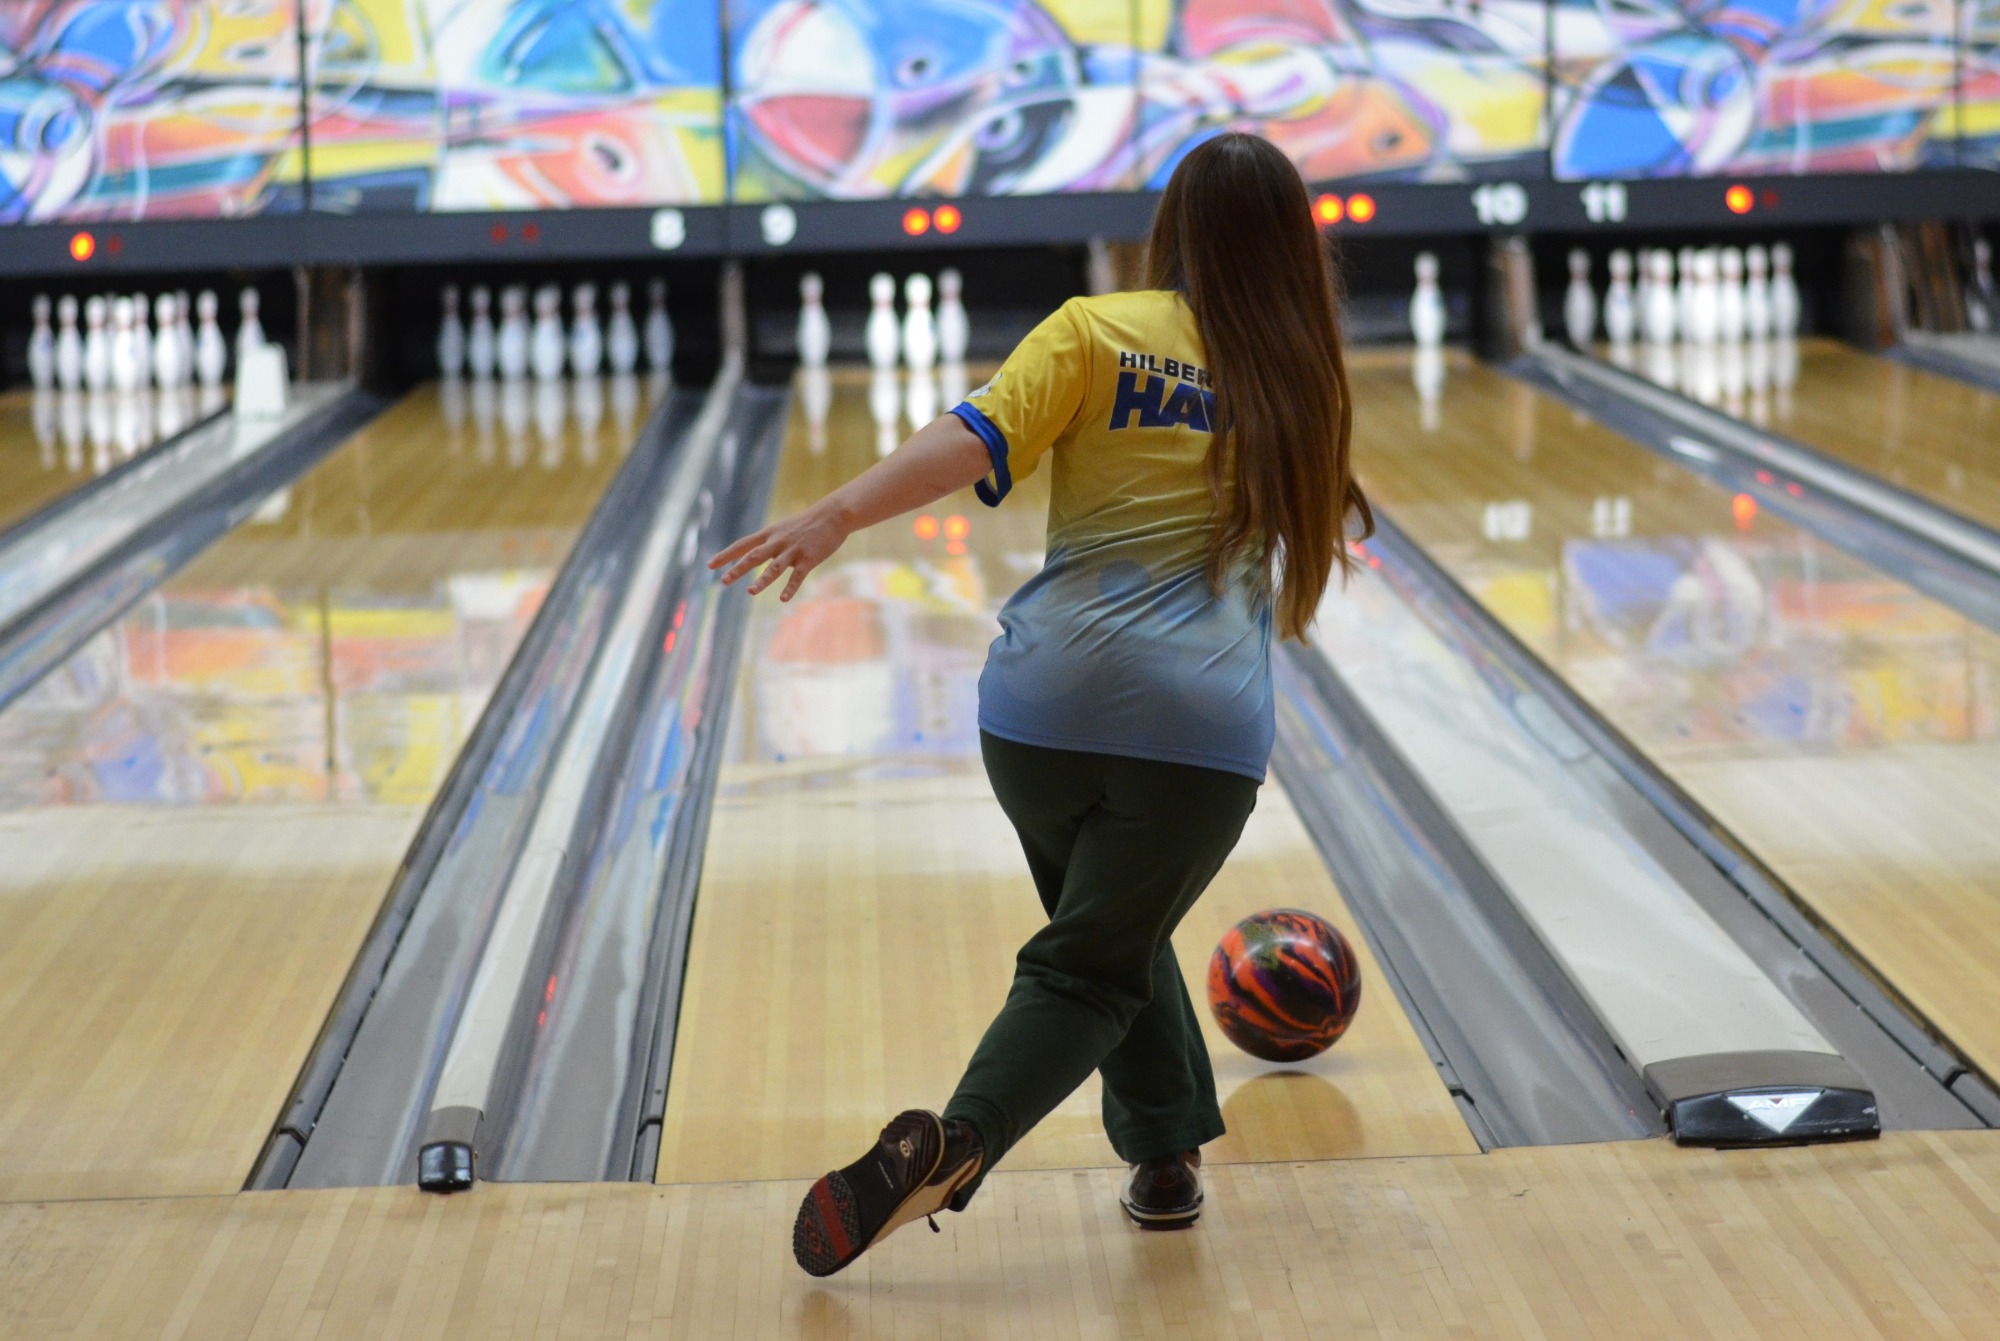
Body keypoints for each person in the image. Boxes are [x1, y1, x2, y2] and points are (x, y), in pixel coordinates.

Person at [709, 132, 1371, 1278]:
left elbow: (967, 441)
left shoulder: (1093, 328)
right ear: (1293, 245)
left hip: (1035, 714)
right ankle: (953, 1148)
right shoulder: (1302, 375)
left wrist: (834, 516)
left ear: (1169, 230)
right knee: (1090, 965)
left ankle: (1164, 1159)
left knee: (1113, 928)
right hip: (1192, 737)